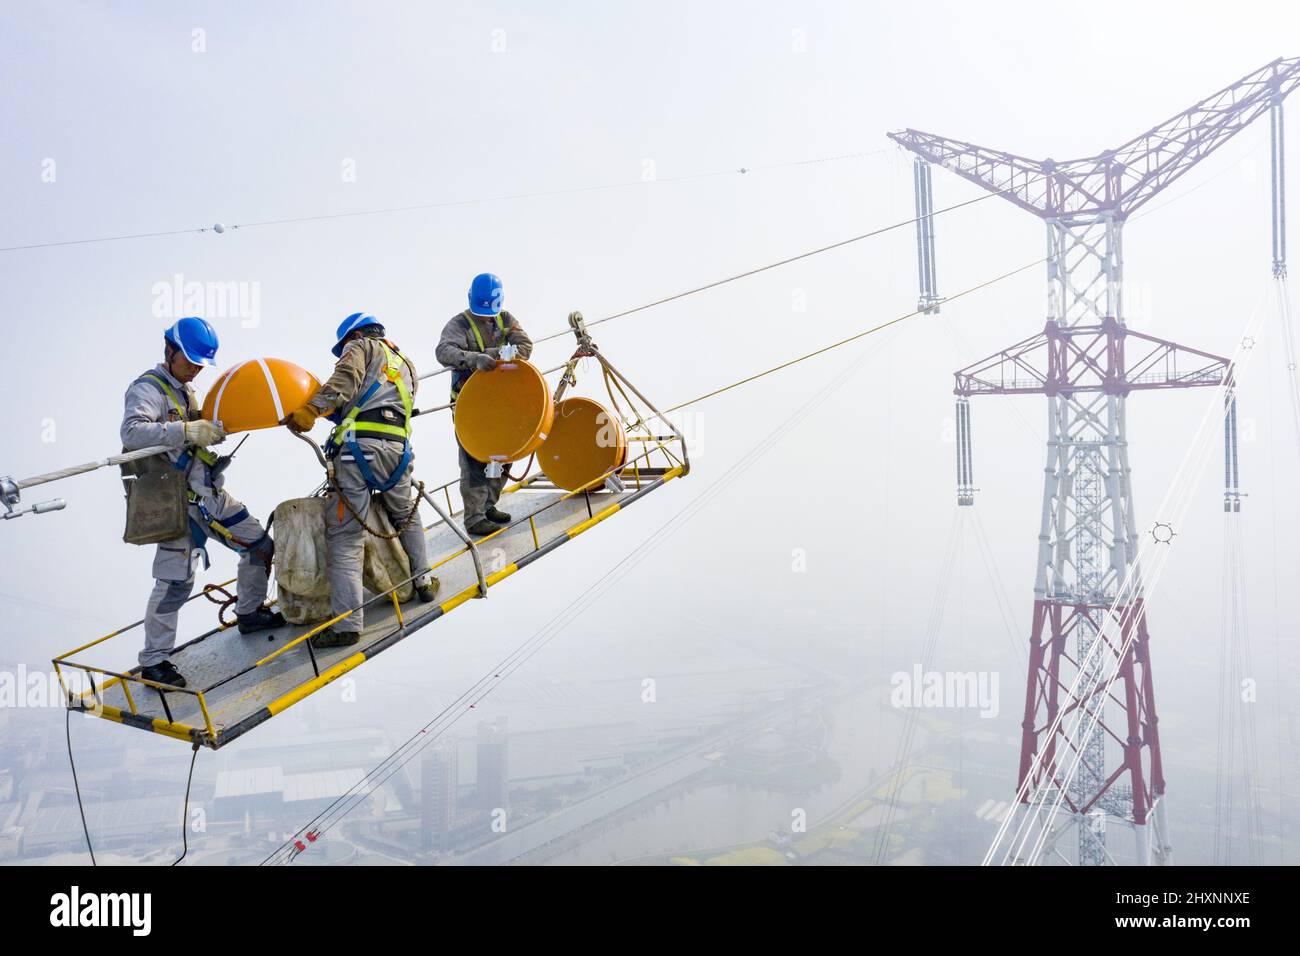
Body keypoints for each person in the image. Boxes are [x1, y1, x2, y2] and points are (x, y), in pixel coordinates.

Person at [120, 317, 284, 688]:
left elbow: (193, 438)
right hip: (178, 504)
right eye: (191, 361)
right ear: (170, 351)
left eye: (199, 363)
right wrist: (187, 430)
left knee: (260, 546)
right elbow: (131, 433)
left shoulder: (186, 391)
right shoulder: (148, 389)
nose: (195, 368)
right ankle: (154, 662)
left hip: (209, 495)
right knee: (175, 583)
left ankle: (249, 613)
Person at [284, 312, 437, 648]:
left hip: (357, 452)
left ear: (353, 336)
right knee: (406, 514)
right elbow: (386, 405)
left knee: (345, 537)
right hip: (398, 453)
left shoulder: (359, 348)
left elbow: (344, 381)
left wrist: (311, 410)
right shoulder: (407, 365)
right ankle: (423, 579)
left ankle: (348, 625)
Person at [435, 272, 534, 536]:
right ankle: (475, 518)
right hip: (470, 405)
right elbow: (444, 352)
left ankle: (489, 505)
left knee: (505, 454)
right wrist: (474, 358)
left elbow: (525, 346)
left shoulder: (506, 320)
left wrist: (499, 355)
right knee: (475, 460)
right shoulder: (459, 324)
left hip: (502, 404)